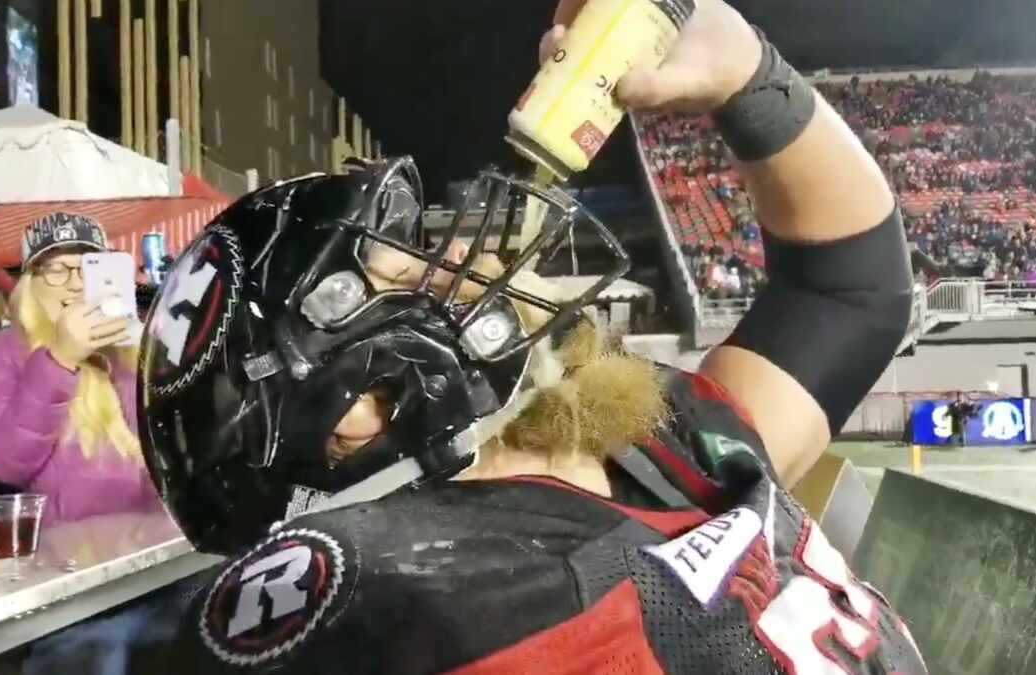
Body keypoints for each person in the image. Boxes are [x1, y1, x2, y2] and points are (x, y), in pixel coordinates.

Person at [132, 2, 923, 673]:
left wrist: (753, 80)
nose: (468, 256)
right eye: (405, 267)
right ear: (350, 410)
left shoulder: (647, 439)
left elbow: (848, 291)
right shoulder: (448, 605)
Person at [0, 212, 162, 526]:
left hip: (146, 544)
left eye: (88, 269)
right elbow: (5, 463)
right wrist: (59, 360)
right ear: (30, 282)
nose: (74, 284)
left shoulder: (126, 352)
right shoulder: (2, 352)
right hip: (62, 553)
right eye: (56, 269)